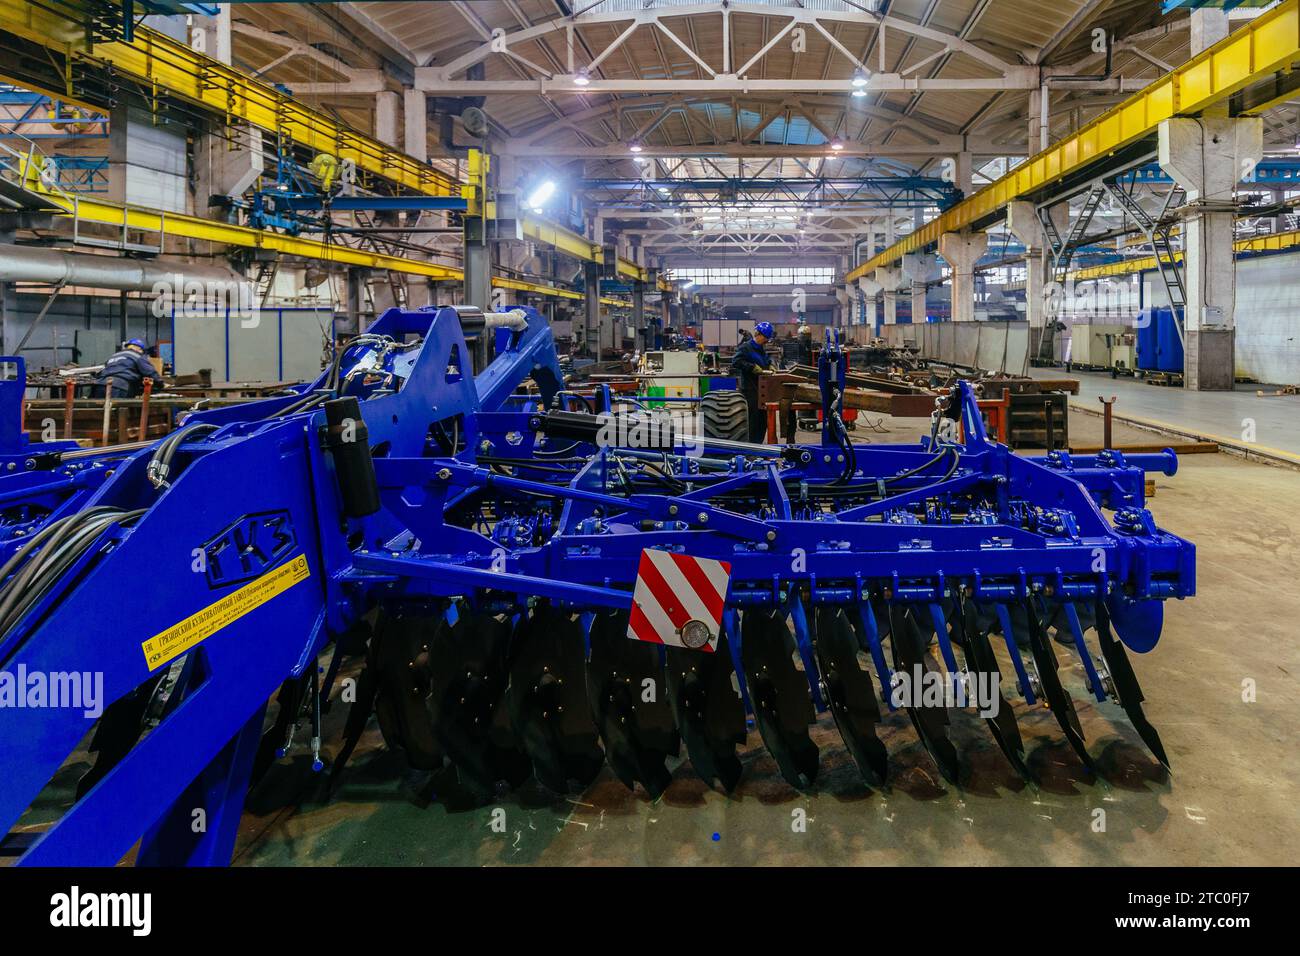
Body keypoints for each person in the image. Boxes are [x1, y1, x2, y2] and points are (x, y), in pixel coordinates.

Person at [730, 321, 773, 443]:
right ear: (758, 334)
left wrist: (770, 365)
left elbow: (766, 359)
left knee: (762, 421)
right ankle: (750, 449)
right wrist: (752, 367)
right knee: (753, 421)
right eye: (765, 338)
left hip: (762, 389)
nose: (766, 341)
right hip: (750, 390)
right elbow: (736, 362)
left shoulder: (760, 348)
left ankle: (758, 446)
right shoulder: (746, 347)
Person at [92, 339, 164, 398]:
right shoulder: (137, 356)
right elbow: (150, 372)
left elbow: (102, 370)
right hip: (119, 387)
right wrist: (161, 384)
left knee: (99, 413)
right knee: (117, 413)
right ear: (139, 349)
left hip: (100, 385)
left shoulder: (114, 355)